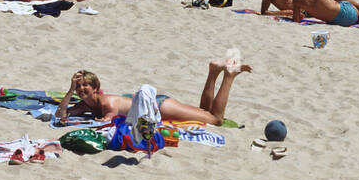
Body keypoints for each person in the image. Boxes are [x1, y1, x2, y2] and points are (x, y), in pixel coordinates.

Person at [54, 61, 250, 127]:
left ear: (95, 87)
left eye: (84, 86)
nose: (80, 90)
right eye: (78, 88)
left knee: (215, 120)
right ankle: (214, 71)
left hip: (160, 107)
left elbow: (106, 121)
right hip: (156, 104)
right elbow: (60, 114)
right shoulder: (85, 104)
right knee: (203, 112)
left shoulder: (107, 103)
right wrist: (70, 90)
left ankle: (229, 76)